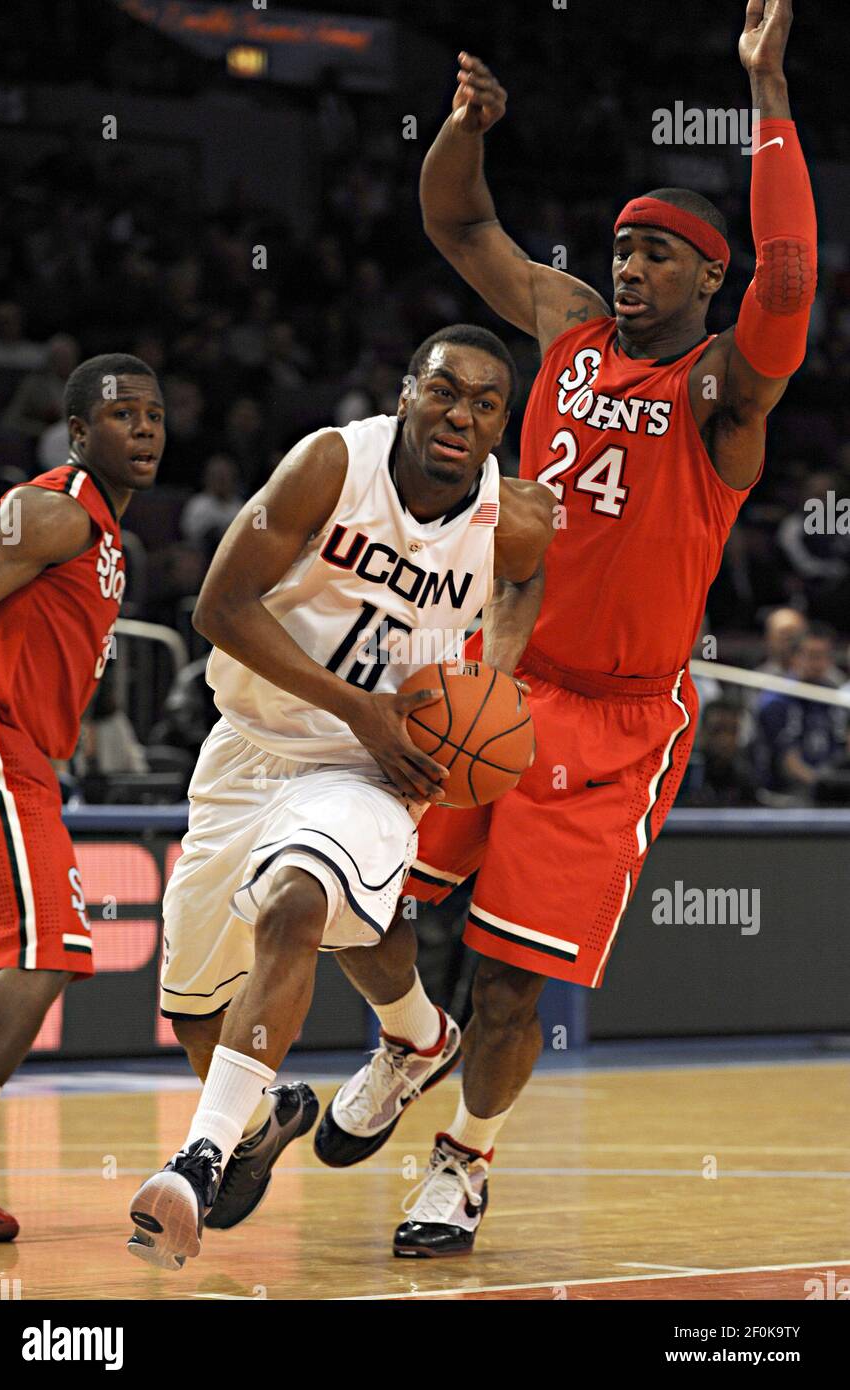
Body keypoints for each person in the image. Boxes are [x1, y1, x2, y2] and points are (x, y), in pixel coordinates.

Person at [312, 1, 819, 1256]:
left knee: (510, 974)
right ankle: (403, 1038)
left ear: (709, 277)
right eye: (621, 248)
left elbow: (794, 279)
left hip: (617, 717)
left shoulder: (718, 394)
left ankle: (462, 1164)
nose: (632, 267)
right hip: (496, 672)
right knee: (356, 893)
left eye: (659, 254)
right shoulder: (563, 327)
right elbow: (456, 221)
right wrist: (464, 125)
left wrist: (764, 96)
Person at [126, 324, 554, 1270]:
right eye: (445, 391)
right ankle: (300, 1096)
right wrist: (360, 708)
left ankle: (196, 1162)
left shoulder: (513, 515)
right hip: (247, 750)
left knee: (298, 905)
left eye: (487, 403)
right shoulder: (332, 463)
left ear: (501, 424)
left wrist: (500, 678)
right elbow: (218, 608)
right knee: (195, 1006)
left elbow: (525, 575)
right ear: (406, 391)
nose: (462, 414)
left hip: (376, 768)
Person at [0, 353, 164, 1239]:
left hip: (24, 753)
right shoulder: (53, 510)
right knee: (51, 945)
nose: (147, 427)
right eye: (124, 416)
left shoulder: (109, 537)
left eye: (155, 414)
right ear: (81, 434)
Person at [754, 623, 847, 799]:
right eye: (812, 656)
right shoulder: (776, 701)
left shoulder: (834, 697)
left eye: (824, 656)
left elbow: (841, 748)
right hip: (784, 795)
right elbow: (787, 762)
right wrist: (823, 785)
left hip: (830, 789)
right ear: (795, 658)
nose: (818, 664)